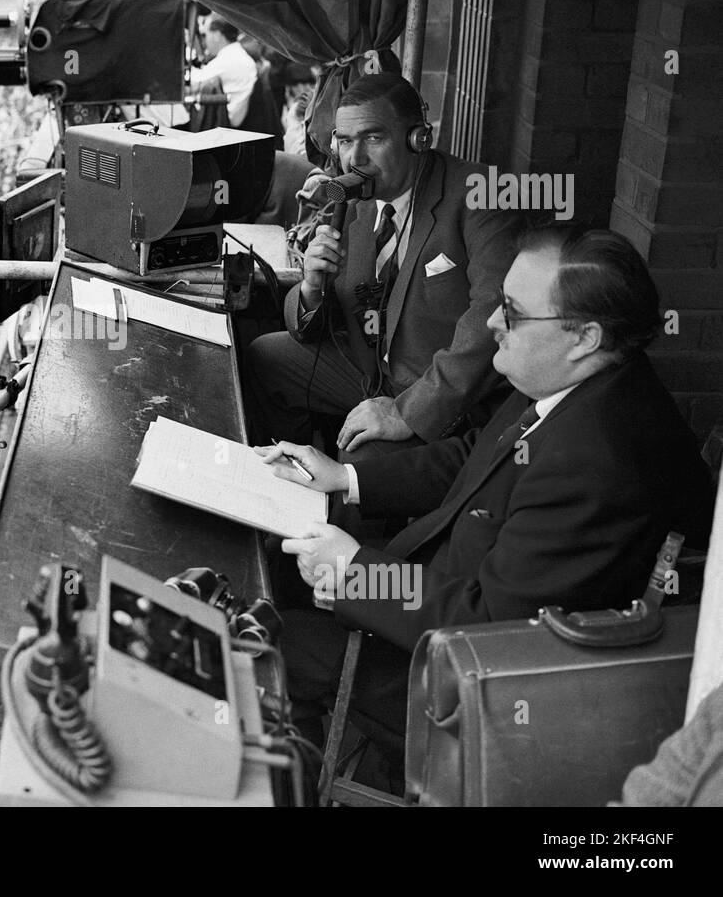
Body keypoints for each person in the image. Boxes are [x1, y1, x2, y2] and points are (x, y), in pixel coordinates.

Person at [259, 227, 714, 753]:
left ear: (584, 336)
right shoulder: (584, 381)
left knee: (259, 643)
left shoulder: (597, 462)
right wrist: (346, 479)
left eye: (514, 312)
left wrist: (358, 574)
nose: (494, 323)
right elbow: (479, 454)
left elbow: (492, 629)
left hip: (464, 695)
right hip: (435, 600)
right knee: (273, 570)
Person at [244, 72, 521, 459]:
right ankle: (298, 474)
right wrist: (310, 288)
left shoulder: (484, 193)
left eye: (373, 138)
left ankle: (344, 499)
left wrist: (408, 412)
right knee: (265, 357)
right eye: (344, 141)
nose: (355, 158)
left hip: (440, 391)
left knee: (361, 461)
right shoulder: (357, 201)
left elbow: (494, 316)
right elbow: (327, 321)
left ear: (418, 139)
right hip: (370, 372)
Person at [188, 14, 258, 127]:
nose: (204, 41)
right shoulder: (235, 53)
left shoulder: (229, 59)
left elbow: (193, 84)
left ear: (216, 35)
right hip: (231, 120)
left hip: (224, 124)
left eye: (205, 35)